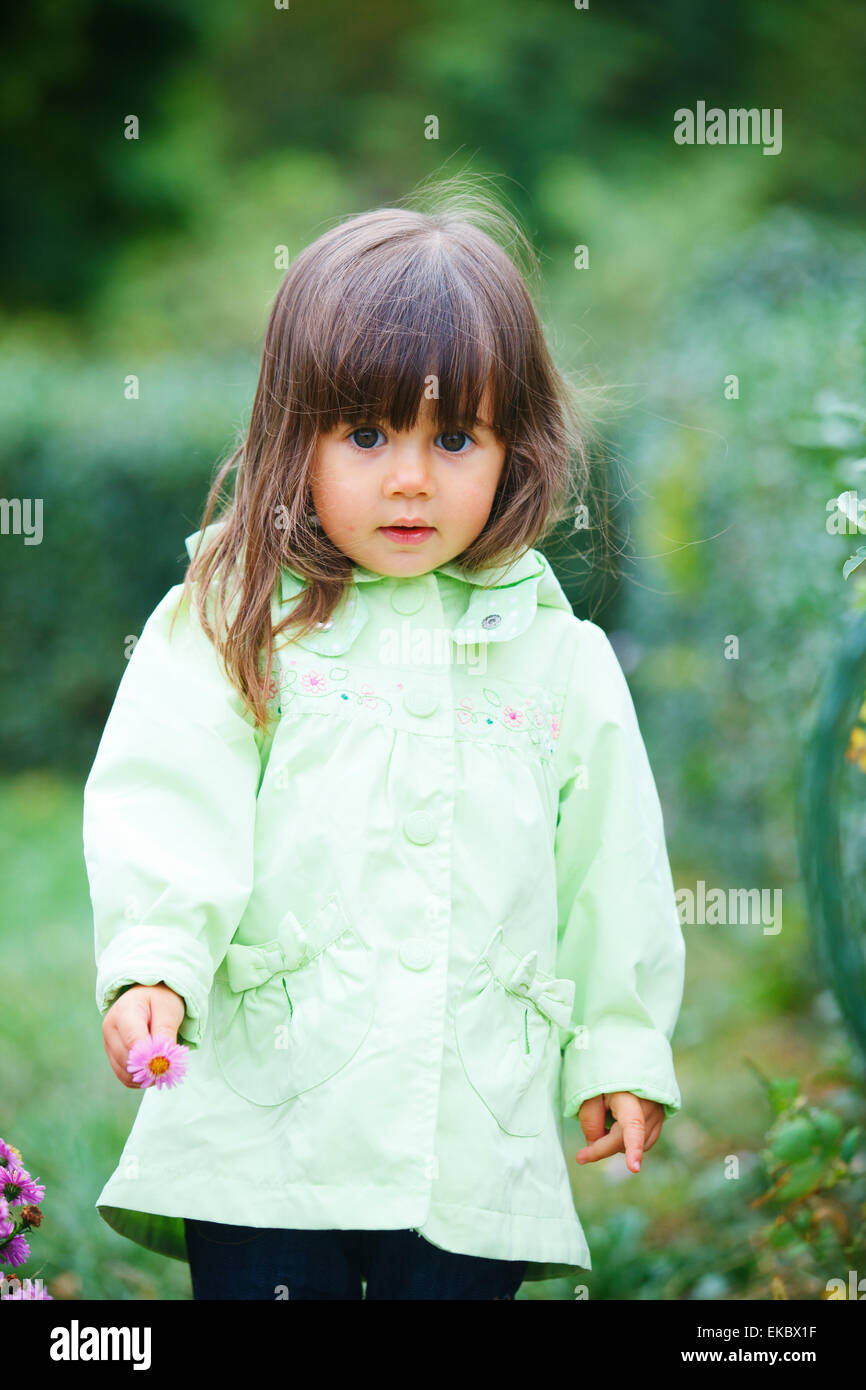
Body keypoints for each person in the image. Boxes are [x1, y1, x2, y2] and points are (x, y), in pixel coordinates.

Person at [82, 181, 686, 1301]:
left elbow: (609, 868)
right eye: (365, 433)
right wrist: (155, 962)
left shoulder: (557, 662)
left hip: (472, 1130)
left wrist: (615, 1044)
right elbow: (169, 799)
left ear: (515, 444)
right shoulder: (230, 620)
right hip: (268, 1121)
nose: (409, 477)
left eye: (453, 435)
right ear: (292, 438)